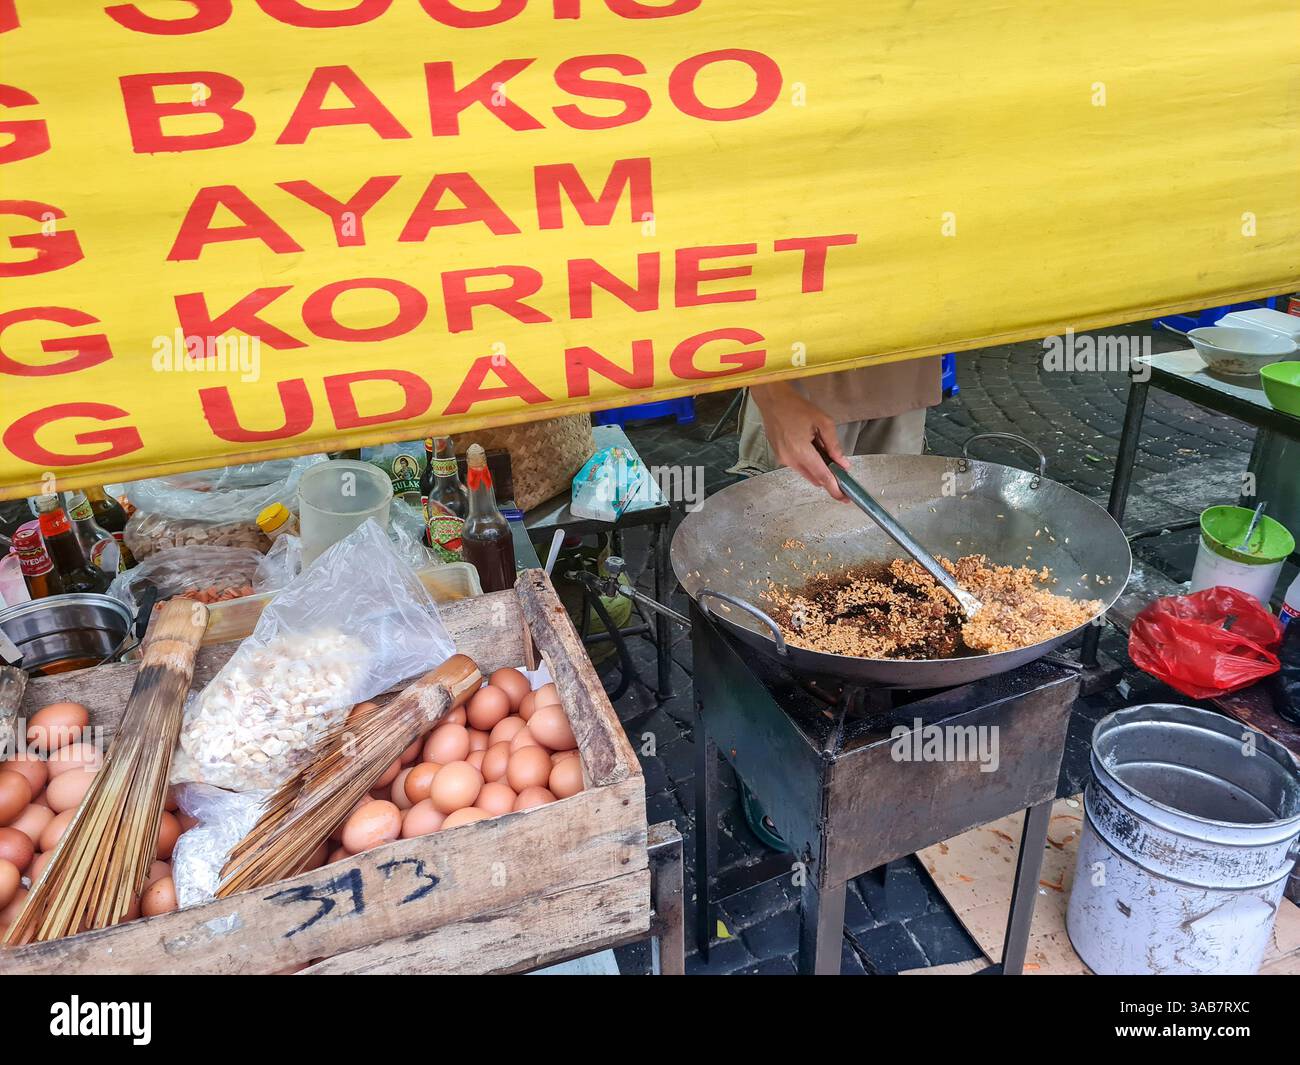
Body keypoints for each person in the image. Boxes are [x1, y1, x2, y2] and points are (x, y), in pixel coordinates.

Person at [730, 356, 942, 496]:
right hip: (798, 380)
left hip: (906, 376)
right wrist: (770, 392)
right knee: (778, 516)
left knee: (895, 506)